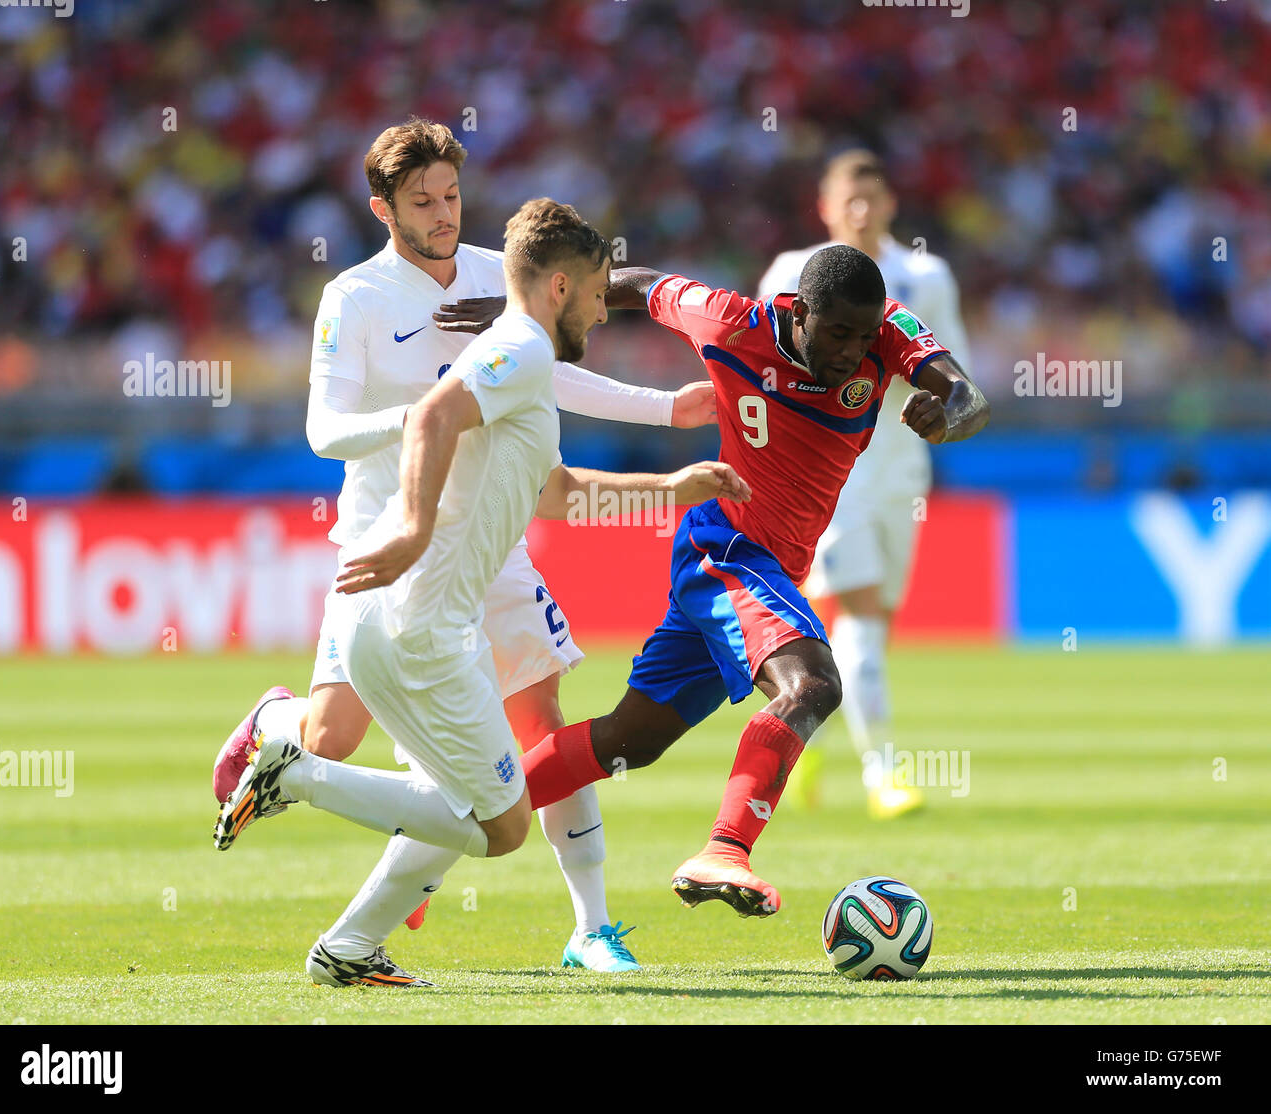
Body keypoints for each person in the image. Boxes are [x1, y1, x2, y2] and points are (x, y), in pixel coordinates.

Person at [212, 120, 716, 974]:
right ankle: (275, 731)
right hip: (390, 546)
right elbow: (325, 431)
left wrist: (665, 411)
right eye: (423, 202)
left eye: (451, 195)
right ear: (383, 209)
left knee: (537, 721)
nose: (444, 215)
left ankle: (590, 926)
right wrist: (423, 421)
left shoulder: (499, 277)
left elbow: (551, 372)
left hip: (491, 544)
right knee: (335, 739)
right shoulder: (356, 298)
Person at [459, 245, 991, 918]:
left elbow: (971, 397)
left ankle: (445, 826)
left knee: (632, 739)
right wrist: (533, 314)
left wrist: (953, 415)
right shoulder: (730, 322)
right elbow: (645, 283)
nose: (854, 351)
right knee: (814, 685)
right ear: (800, 311)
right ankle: (725, 850)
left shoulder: (889, 329)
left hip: (770, 571)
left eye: (863, 337)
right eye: (838, 333)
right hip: (727, 550)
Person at [758, 150, 972, 818]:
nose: (860, 210)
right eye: (848, 199)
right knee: (857, 608)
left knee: (875, 618)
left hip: (899, 468)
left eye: (871, 198)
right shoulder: (793, 273)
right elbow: (763, 364)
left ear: (889, 205)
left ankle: (807, 732)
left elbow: (952, 369)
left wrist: (939, 401)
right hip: (827, 468)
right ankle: (885, 774)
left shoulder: (924, 275)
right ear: (825, 207)